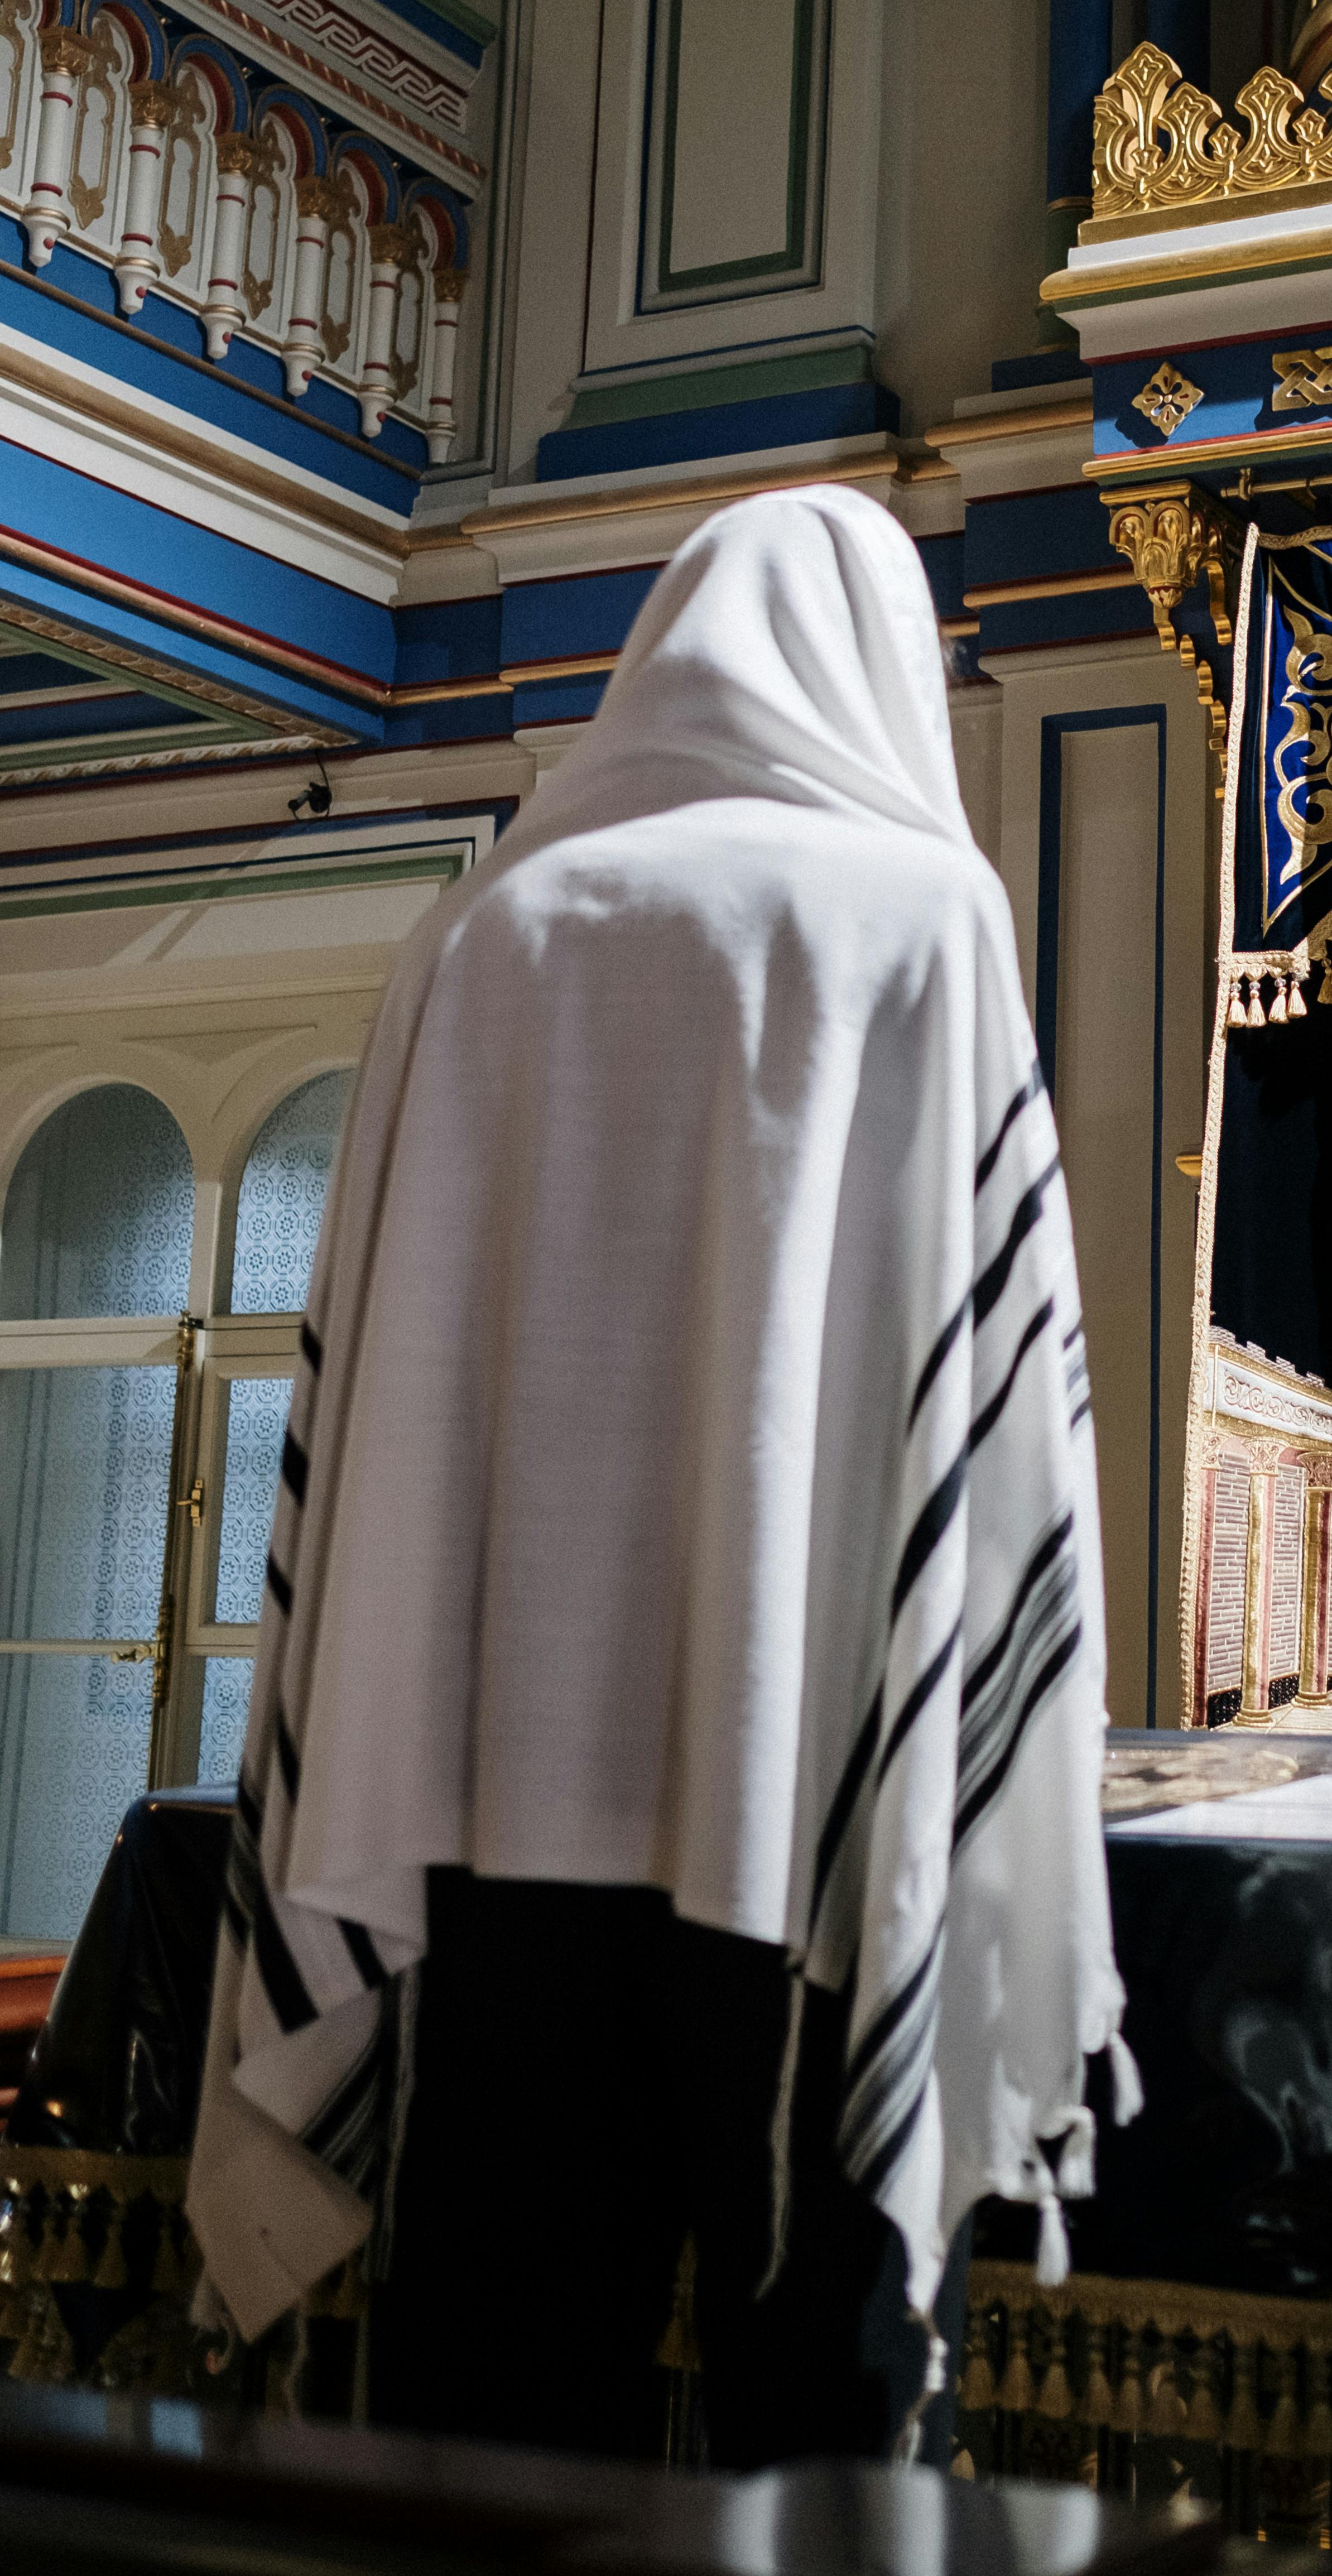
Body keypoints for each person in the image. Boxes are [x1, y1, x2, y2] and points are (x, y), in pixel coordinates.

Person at [185, 484, 1129, 2462]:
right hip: (795, 1801)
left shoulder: (494, 925)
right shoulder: (918, 918)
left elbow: (379, 1406)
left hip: (485, 1805)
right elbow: (997, 1399)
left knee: (500, 2397)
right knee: (823, 2422)